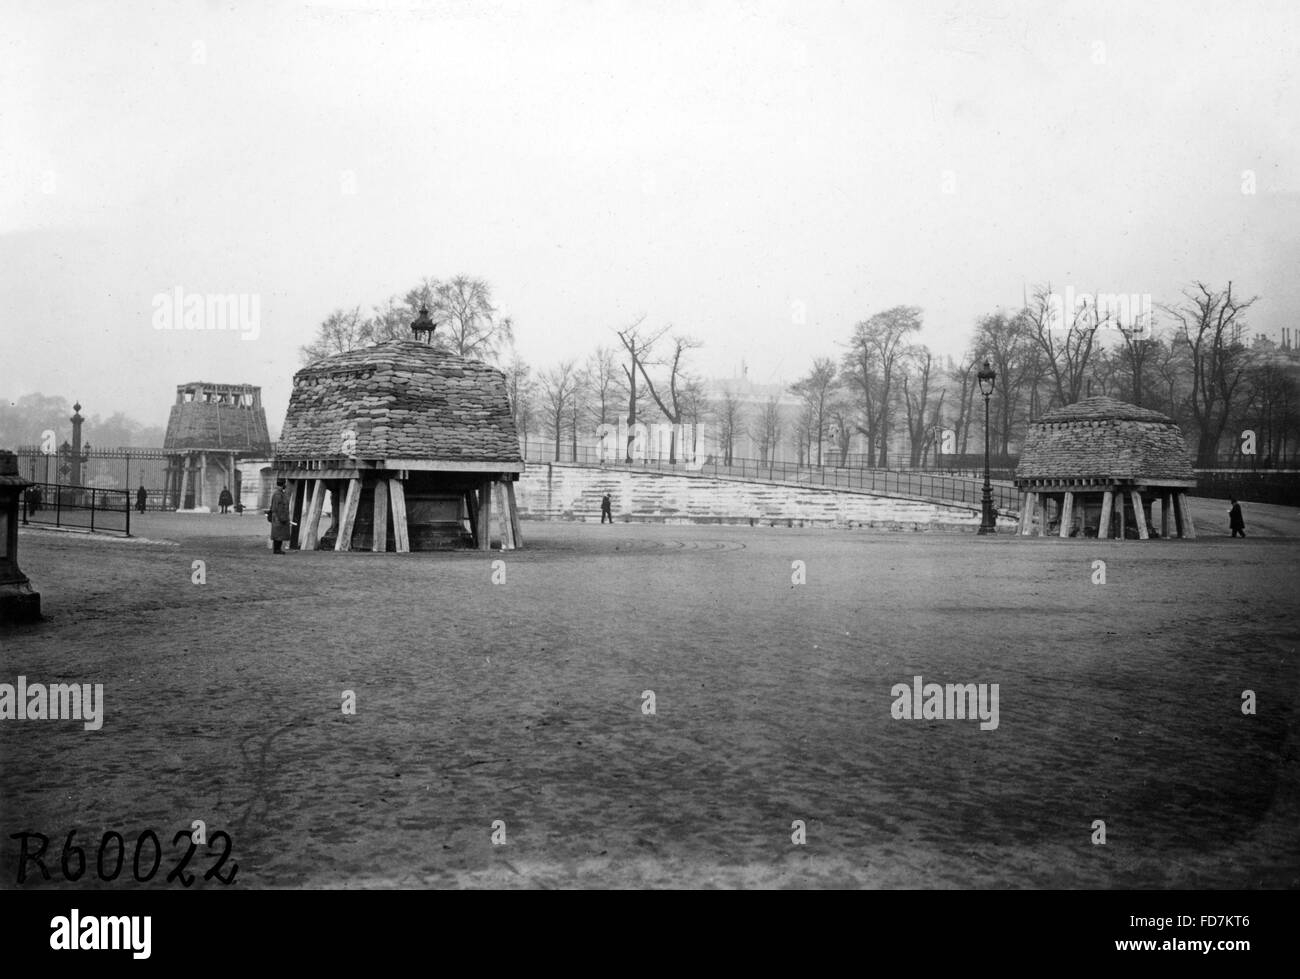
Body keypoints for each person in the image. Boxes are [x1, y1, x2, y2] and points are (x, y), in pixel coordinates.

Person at [268, 479, 292, 553]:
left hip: (278, 517)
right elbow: (279, 507)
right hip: (279, 518)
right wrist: (283, 518)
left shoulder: (279, 493)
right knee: (278, 535)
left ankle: (278, 549)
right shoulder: (278, 494)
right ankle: (277, 549)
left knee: (279, 535)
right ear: (283, 484)